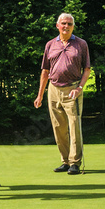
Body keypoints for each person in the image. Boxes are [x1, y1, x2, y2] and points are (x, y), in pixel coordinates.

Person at [33, 12, 91, 175]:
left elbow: (86, 69)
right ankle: (65, 161)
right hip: (53, 89)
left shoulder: (81, 44)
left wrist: (79, 87)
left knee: (74, 126)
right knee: (59, 128)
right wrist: (40, 95)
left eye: (69, 24)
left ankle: (75, 163)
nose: (66, 26)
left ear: (73, 27)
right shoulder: (50, 44)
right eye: (63, 23)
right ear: (57, 26)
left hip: (72, 89)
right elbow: (45, 71)